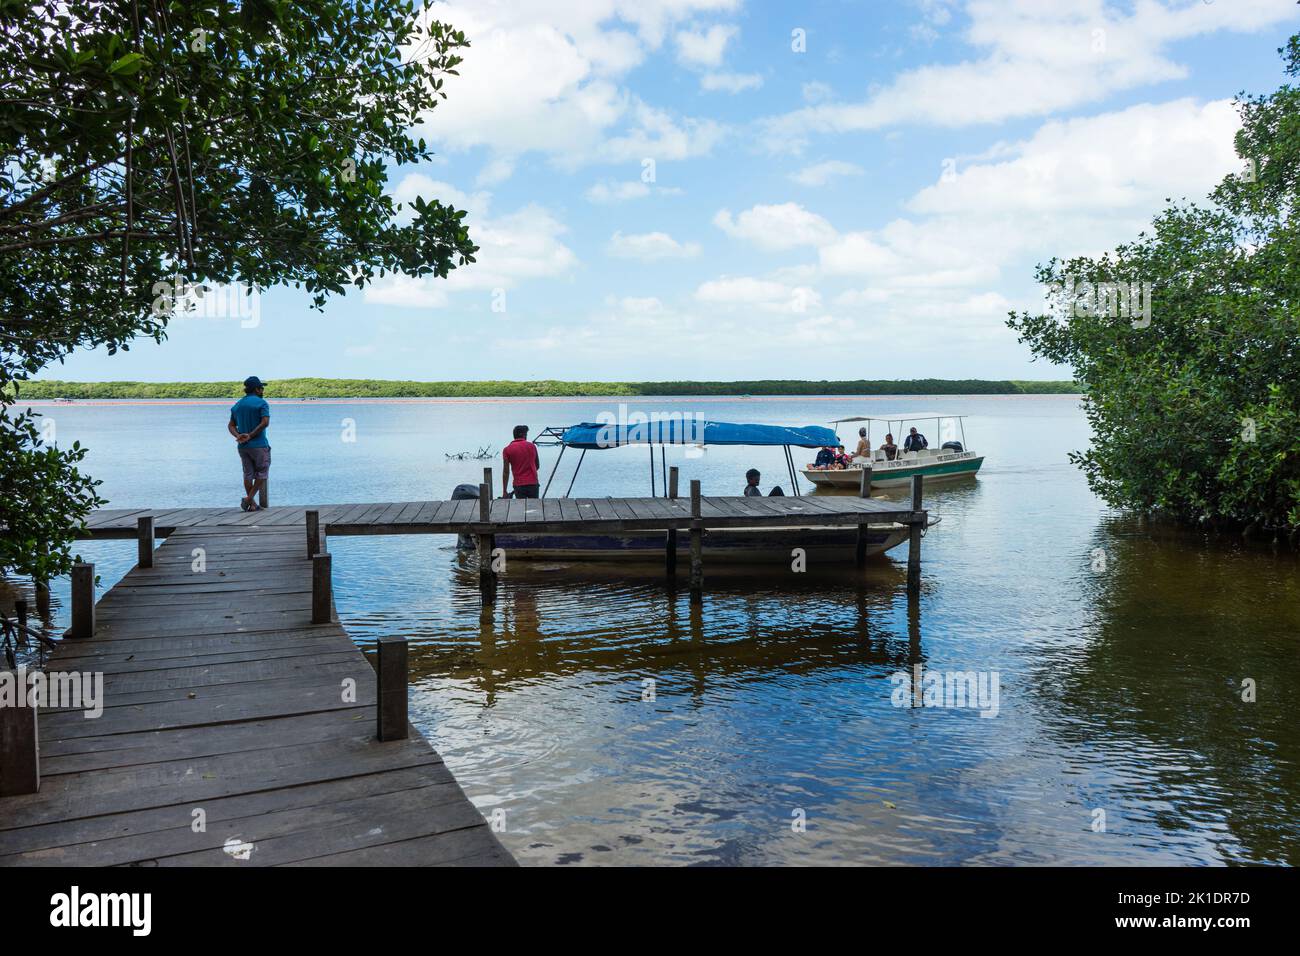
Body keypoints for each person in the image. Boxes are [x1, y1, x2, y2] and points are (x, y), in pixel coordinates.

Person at [229, 376, 271, 511]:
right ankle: (248, 499)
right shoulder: (261, 403)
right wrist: (251, 435)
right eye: (261, 388)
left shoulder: (237, 405)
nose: (263, 390)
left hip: (243, 446)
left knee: (248, 474)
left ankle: (252, 505)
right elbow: (265, 422)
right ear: (257, 389)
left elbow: (230, 425)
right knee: (262, 472)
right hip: (259, 445)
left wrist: (238, 435)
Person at [502, 425, 541, 498]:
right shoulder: (532, 446)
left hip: (519, 485)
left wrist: (504, 491)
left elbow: (506, 472)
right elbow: (537, 466)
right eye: (526, 434)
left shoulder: (507, 449)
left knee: (521, 508)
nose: (526, 437)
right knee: (534, 508)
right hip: (533, 484)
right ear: (522, 435)